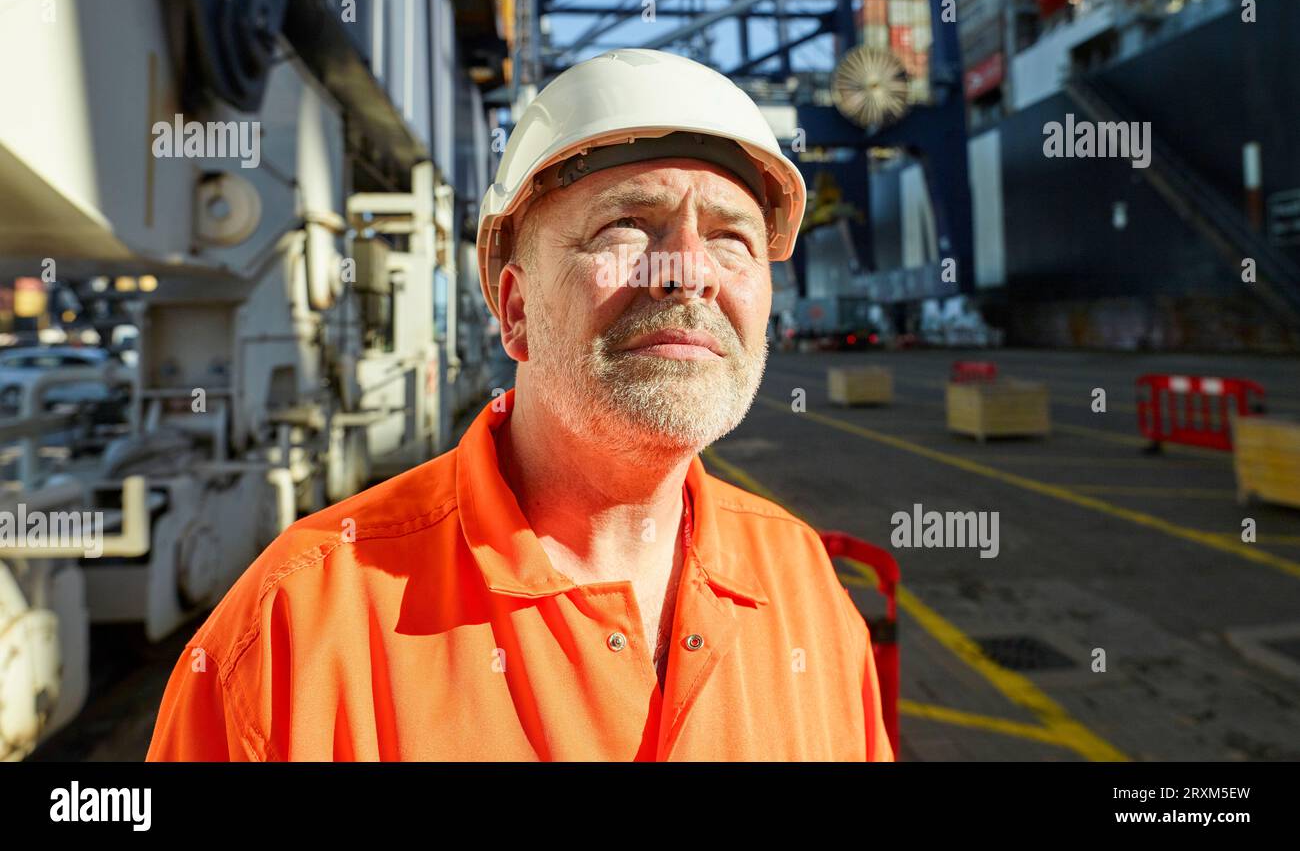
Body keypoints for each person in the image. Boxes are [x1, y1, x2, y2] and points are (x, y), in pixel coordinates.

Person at [145, 48, 894, 761]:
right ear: (515, 309)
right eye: (627, 224)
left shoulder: (806, 590)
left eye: (733, 238)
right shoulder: (292, 633)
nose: (690, 269)